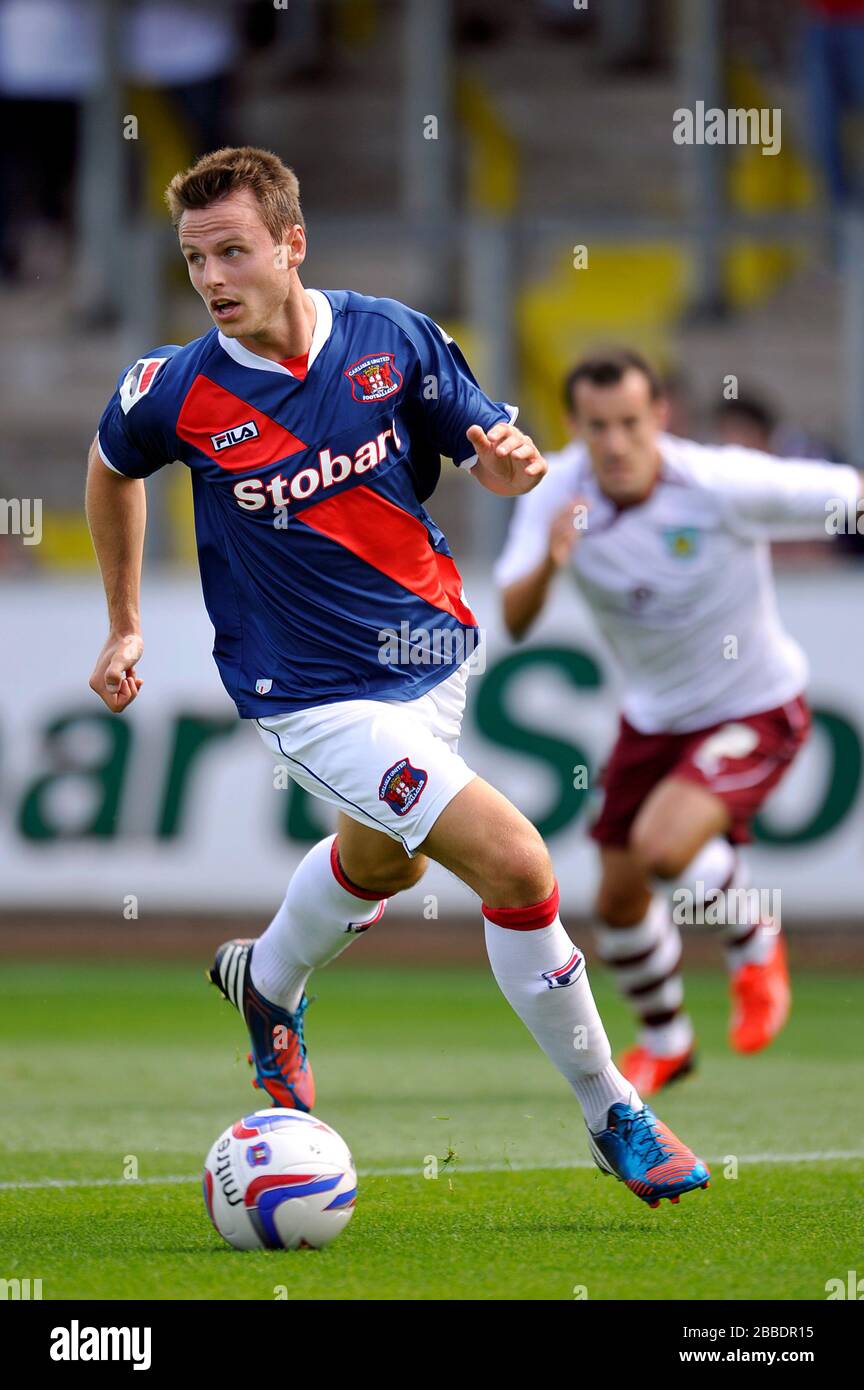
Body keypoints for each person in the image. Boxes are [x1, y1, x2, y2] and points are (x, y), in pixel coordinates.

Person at [84, 148, 709, 1209]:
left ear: (292, 245)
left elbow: (483, 439)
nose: (213, 278)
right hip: (308, 693)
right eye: (196, 258)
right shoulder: (176, 389)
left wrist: (506, 464)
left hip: (429, 659)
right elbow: (110, 467)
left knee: (385, 866)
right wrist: (125, 623)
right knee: (514, 863)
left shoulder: (390, 337)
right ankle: (615, 1111)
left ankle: (266, 984)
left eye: (233, 250)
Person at [496, 349, 862, 1095]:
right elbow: (515, 615)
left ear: (660, 417)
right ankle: (668, 1039)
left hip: (753, 705)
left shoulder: (718, 481)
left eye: (632, 423)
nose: (617, 443)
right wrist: (552, 563)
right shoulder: (554, 490)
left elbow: (848, 495)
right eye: (598, 427)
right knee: (617, 899)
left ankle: (754, 932)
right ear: (574, 427)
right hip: (653, 718)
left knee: (665, 850)